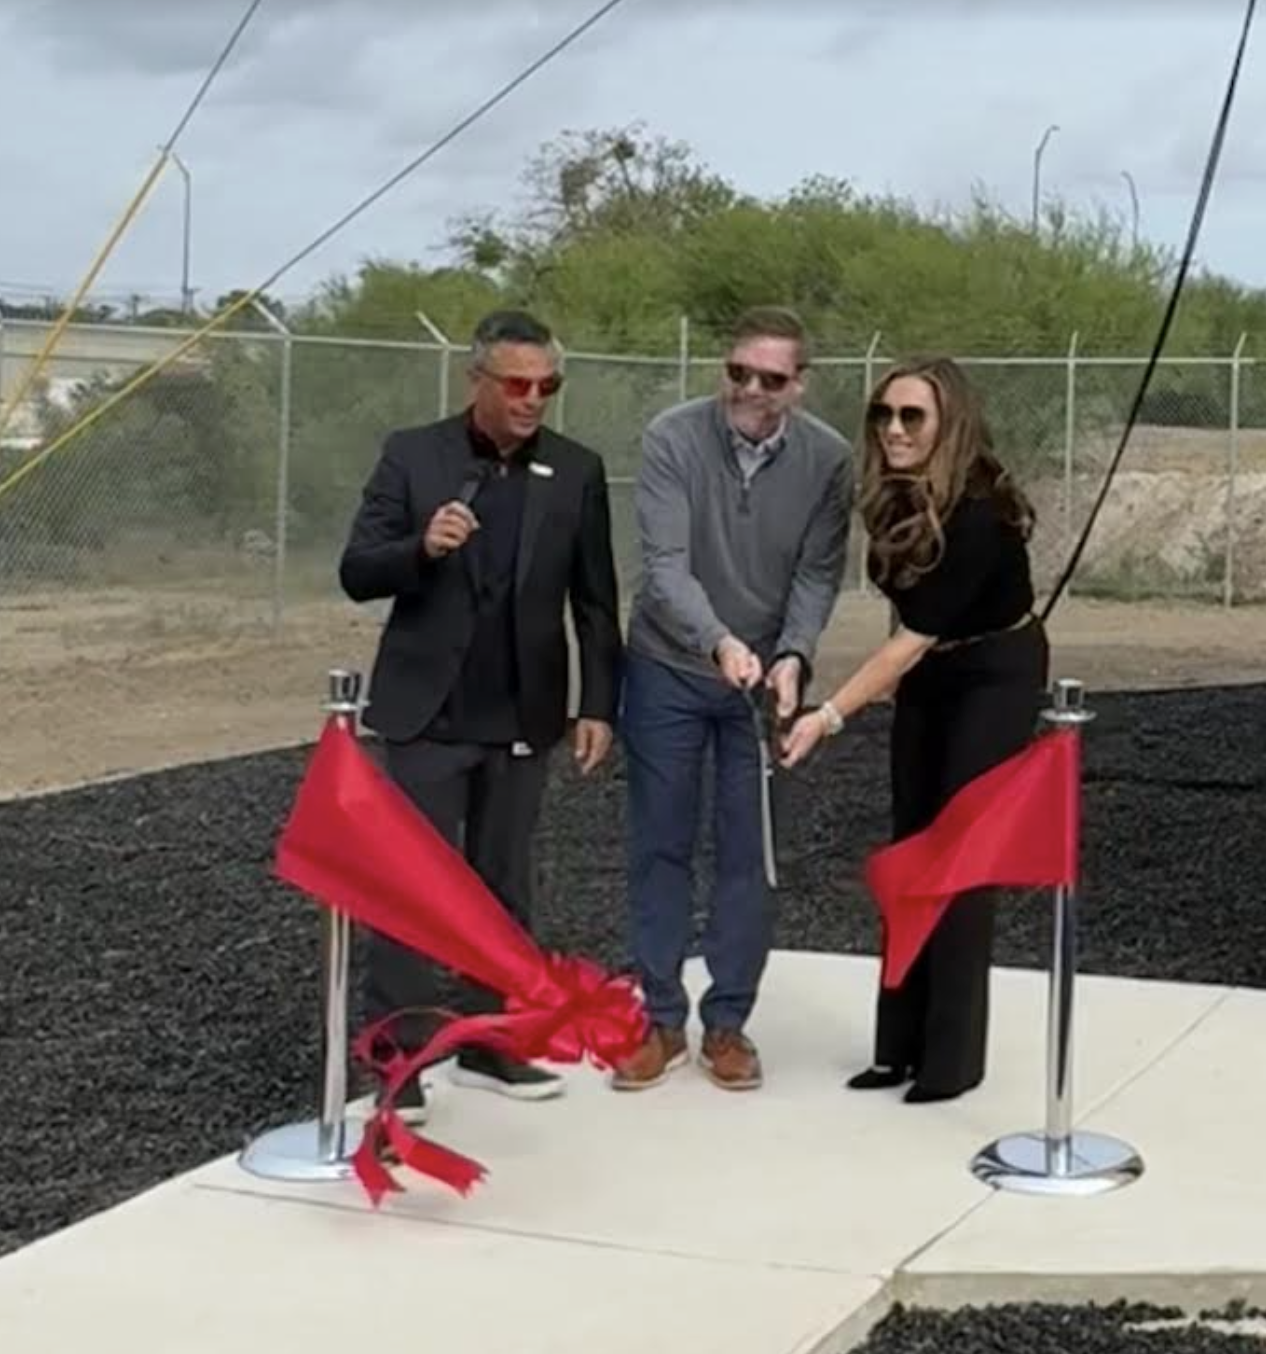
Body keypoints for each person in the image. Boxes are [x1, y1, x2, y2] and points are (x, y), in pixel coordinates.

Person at [337, 308, 623, 1122]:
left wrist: (599, 703)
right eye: (517, 384)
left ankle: (493, 1041)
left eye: (547, 386)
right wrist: (421, 548)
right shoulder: (413, 454)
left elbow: (597, 601)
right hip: (428, 711)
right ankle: (400, 1060)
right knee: (413, 891)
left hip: (526, 714)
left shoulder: (575, 470)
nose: (533, 400)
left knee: (505, 888)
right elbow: (357, 570)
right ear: (478, 381)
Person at [778, 355, 1048, 1105]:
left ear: (947, 422)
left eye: (912, 417)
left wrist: (827, 716)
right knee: (910, 847)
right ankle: (896, 1046)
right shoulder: (894, 499)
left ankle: (951, 1061)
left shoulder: (979, 511)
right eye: (883, 416)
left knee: (960, 858)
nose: (893, 430)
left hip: (994, 672)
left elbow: (909, 639)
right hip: (935, 672)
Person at [612, 305, 854, 1092]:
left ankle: (728, 1024)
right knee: (661, 842)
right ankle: (658, 1019)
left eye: (771, 378)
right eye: (738, 372)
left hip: (762, 683)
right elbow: (665, 565)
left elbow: (819, 572)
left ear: (800, 385)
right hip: (670, 667)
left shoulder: (828, 460)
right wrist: (719, 640)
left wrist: (793, 655)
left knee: (749, 853)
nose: (750, 389)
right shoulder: (673, 438)